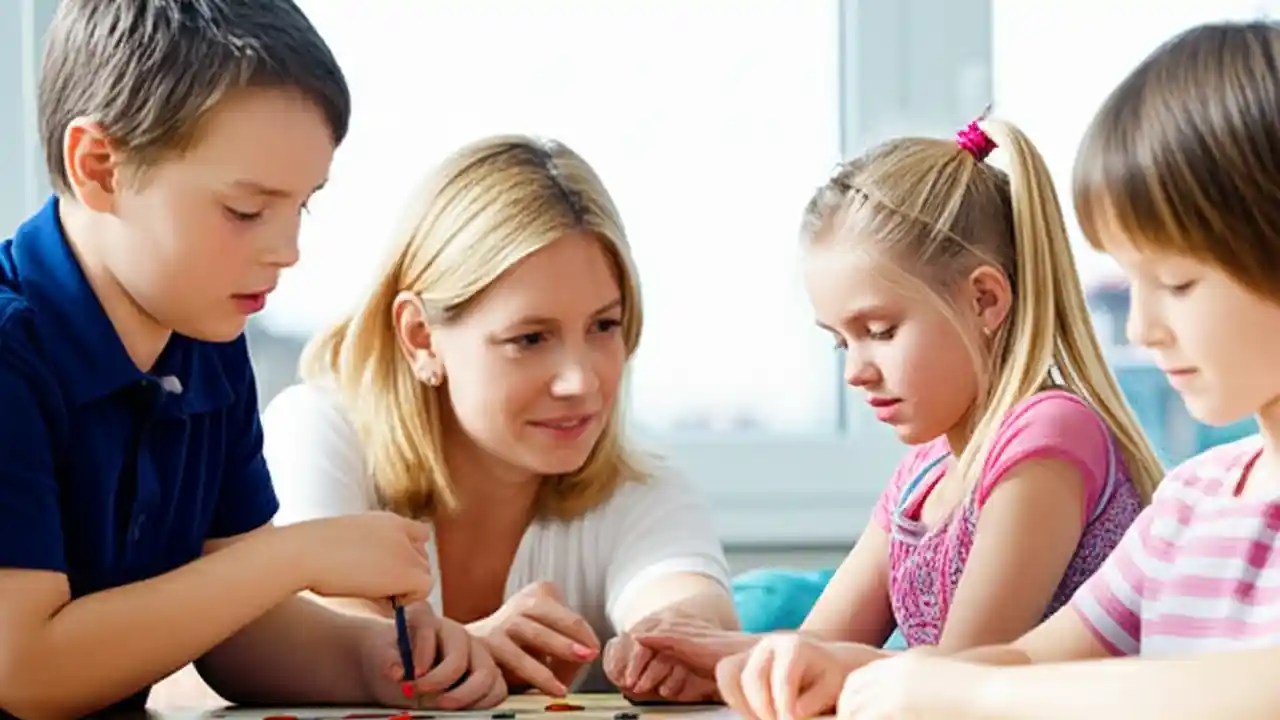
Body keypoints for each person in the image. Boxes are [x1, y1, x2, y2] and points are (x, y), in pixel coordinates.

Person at [0, 2, 501, 716]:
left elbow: (232, 627)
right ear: (100, 168)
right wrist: (295, 556)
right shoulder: (10, 354)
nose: (287, 251)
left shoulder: (208, 343)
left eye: (304, 206)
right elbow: (24, 671)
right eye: (245, 210)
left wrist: (373, 659)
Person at [633, 115, 1165, 719]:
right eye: (841, 342)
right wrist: (711, 658)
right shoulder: (921, 477)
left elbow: (966, 676)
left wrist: (797, 666)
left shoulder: (1049, 433)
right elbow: (825, 642)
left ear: (985, 299)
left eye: (879, 332)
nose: (855, 370)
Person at [833, 20, 1280, 720]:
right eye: (1132, 282)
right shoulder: (1191, 503)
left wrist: (976, 692)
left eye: (1178, 282)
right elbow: (1029, 658)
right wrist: (868, 680)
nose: (1140, 328)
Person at [262, 134, 740, 703]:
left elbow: (689, 605)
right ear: (421, 338)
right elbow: (323, 630)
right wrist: (464, 649)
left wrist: (678, 640)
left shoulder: (640, 491)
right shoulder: (319, 431)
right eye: (530, 338)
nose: (580, 381)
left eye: (604, 327)